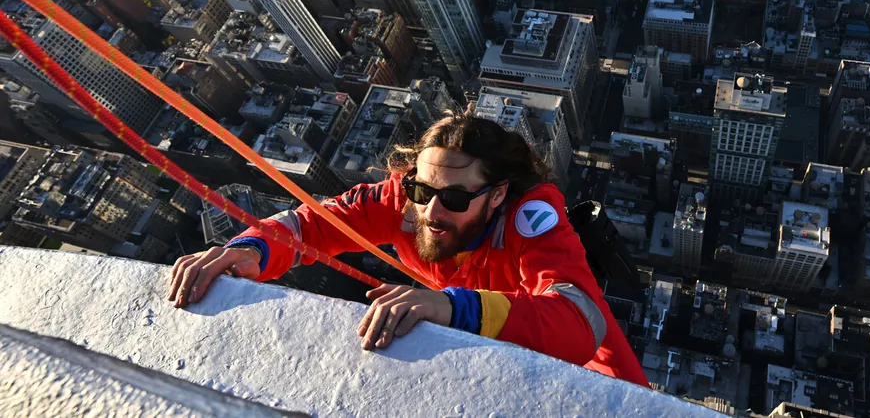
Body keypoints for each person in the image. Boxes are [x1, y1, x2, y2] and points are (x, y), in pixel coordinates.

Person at [167, 114, 648, 385]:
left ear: (498, 194)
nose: (432, 211)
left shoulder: (532, 220)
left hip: (594, 378)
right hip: (489, 357)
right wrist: (252, 249)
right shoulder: (403, 200)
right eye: (423, 189)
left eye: (456, 198)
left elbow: (581, 323)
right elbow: (313, 223)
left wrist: (453, 306)